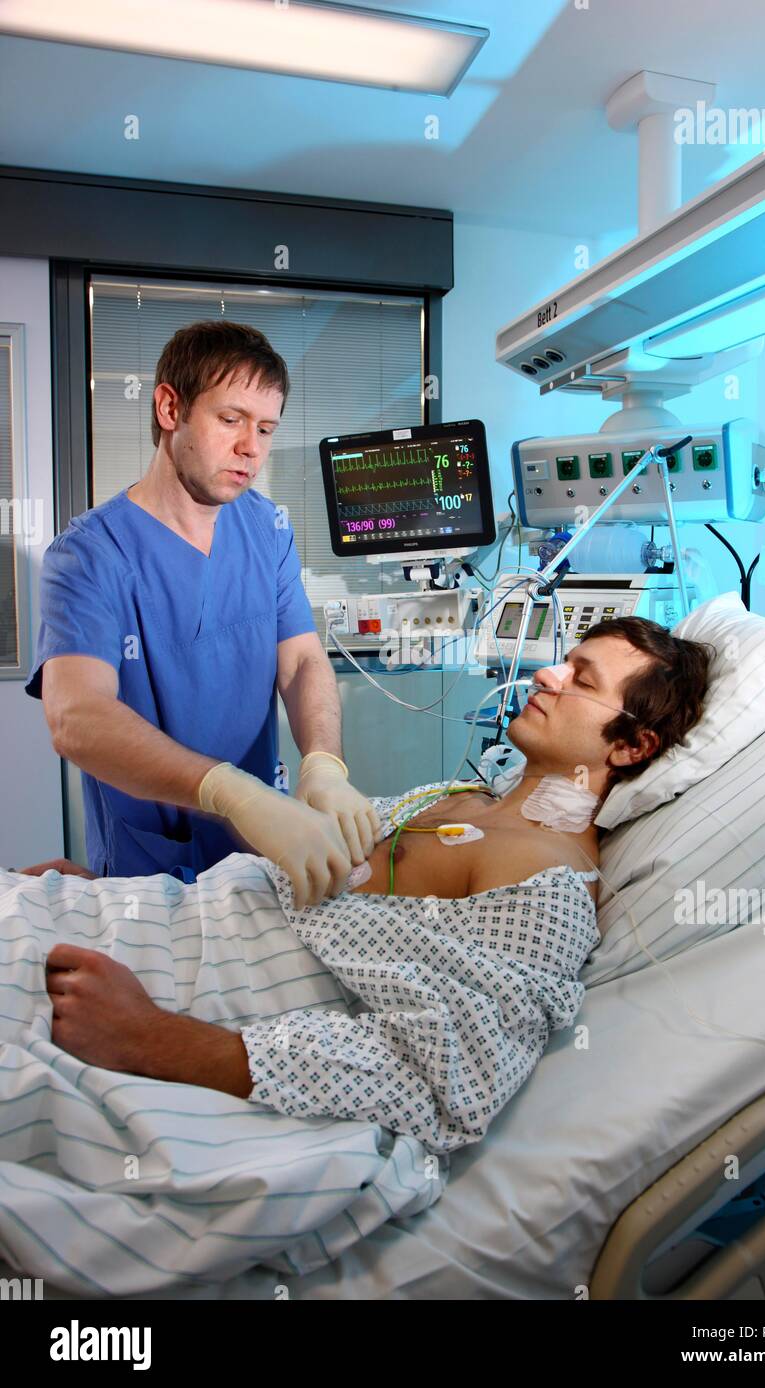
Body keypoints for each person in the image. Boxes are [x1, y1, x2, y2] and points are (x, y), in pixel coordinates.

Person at [26, 618, 713, 1155]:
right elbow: (300, 879)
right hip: (151, 920)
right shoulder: (458, 797)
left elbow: (451, 1077)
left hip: (181, 993)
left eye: (582, 680)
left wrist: (155, 1039)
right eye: (565, 659)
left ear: (631, 747)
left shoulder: (550, 882)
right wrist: (114, 894)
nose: (547, 673)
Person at [24, 320, 378, 904]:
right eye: (231, 419)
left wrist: (322, 765)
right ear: (169, 407)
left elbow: (300, 661)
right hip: (150, 866)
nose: (252, 448)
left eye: (266, 428)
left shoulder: (268, 530)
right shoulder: (90, 555)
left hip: (262, 852)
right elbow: (76, 715)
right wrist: (227, 791)